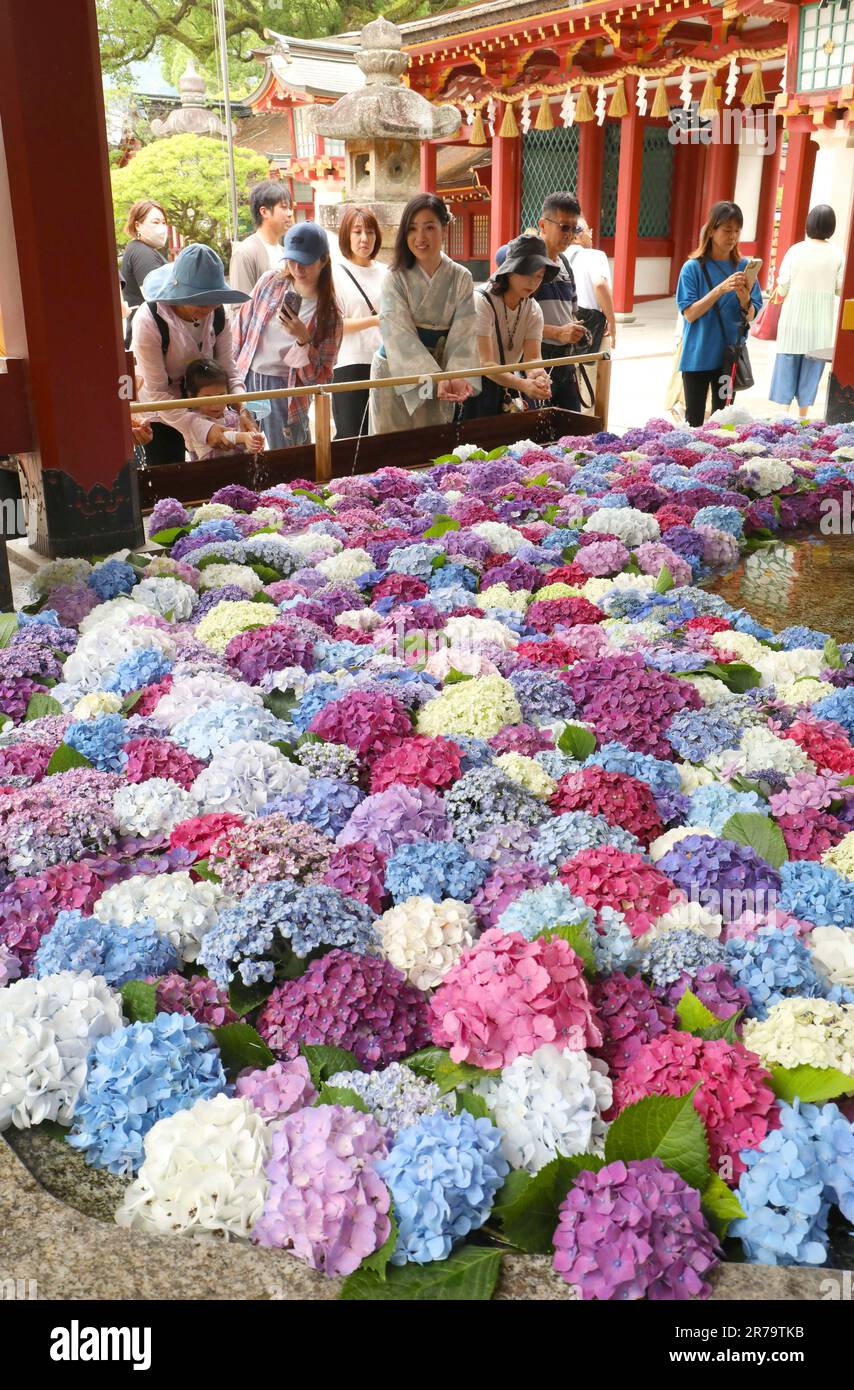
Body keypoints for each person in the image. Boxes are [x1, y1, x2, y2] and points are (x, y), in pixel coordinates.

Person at [131, 243, 251, 465]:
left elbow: (229, 371)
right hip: (162, 416)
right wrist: (204, 429)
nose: (207, 307)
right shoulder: (149, 321)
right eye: (198, 299)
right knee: (169, 481)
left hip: (207, 408)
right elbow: (157, 393)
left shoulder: (217, 315)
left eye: (213, 299)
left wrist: (243, 409)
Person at [370, 193, 477, 434]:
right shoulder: (395, 278)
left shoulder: (461, 277)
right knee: (390, 451)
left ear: (444, 229)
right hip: (395, 373)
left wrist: (455, 376)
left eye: (429, 227)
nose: (420, 238)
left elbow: (465, 335)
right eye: (412, 229)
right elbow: (398, 334)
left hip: (441, 371)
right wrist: (435, 378)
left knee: (433, 445)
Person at [234, 221, 343, 450]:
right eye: (291, 260)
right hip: (250, 380)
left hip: (287, 391)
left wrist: (303, 339)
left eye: (306, 262)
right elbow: (240, 331)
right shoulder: (271, 282)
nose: (297, 268)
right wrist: (231, 383)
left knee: (283, 459)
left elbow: (320, 379)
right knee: (247, 453)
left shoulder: (329, 313)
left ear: (324, 260)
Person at [497, 193, 586, 412]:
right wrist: (558, 333)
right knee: (535, 429)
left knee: (572, 426)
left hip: (564, 362)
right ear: (543, 225)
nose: (569, 235)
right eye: (564, 227)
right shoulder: (522, 267)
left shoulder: (566, 264)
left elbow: (571, 312)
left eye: (574, 229)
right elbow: (514, 320)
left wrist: (575, 331)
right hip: (533, 361)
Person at [676, 200, 762, 427]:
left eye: (736, 231)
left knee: (724, 421)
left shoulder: (745, 267)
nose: (732, 236)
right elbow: (690, 314)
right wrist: (720, 289)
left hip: (729, 358)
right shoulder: (692, 268)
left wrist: (744, 299)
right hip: (698, 356)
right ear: (712, 230)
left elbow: (751, 315)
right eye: (727, 230)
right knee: (693, 420)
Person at [462, 233, 552, 419]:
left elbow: (533, 358)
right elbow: (485, 363)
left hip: (507, 383)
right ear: (509, 271)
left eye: (539, 276)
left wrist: (538, 377)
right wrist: (523, 385)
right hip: (474, 385)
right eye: (526, 273)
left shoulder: (533, 308)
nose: (533, 282)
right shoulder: (481, 301)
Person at [769, 204, 844, 419]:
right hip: (820, 323)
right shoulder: (837, 253)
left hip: (793, 318)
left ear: (808, 224)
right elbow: (840, 287)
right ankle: (803, 413)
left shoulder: (796, 250)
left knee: (787, 362)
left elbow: (783, 284)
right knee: (812, 367)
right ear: (832, 227)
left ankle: (783, 412)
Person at [331, 206, 388, 439]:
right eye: (357, 232)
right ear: (346, 235)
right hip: (350, 363)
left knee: (381, 434)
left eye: (370, 232)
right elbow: (334, 325)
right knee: (351, 435)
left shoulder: (387, 272)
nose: (365, 238)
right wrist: (375, 320)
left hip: (384, 362)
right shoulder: (335, 273)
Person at [181, 358, 265, 460]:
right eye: (208, 398)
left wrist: (254, 442)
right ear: (192, 396)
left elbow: (243, 447)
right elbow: (224, 437)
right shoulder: (193, 422)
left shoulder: (233, 417)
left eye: (222, 396)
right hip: (207, 473)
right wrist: (244, 437)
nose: (216, 404)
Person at [228, 181, 294, 297]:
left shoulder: (286, 253)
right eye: (284, 207)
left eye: (290, 208)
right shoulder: (245, 253)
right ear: (264, 212)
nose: (290, 213)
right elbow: (240, 308)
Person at [119, 200, 169, 346]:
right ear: (138, 225)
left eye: (164, 222)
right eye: (155, 222)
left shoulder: (139, 249)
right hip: (149, 339)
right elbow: (156, 298)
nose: (162, 228)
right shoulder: (142, 253)